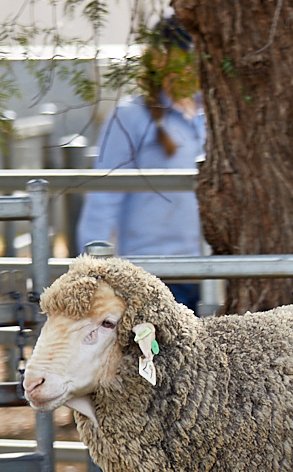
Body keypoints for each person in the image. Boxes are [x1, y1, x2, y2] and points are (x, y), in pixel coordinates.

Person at [76, 17, 207, 311]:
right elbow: (104, 197)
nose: (189, 67)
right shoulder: (131, 116)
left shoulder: (207, 115)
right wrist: (90, 271)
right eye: (181, 58)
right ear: (159, 59)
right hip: (149, 270)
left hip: (205, 268)